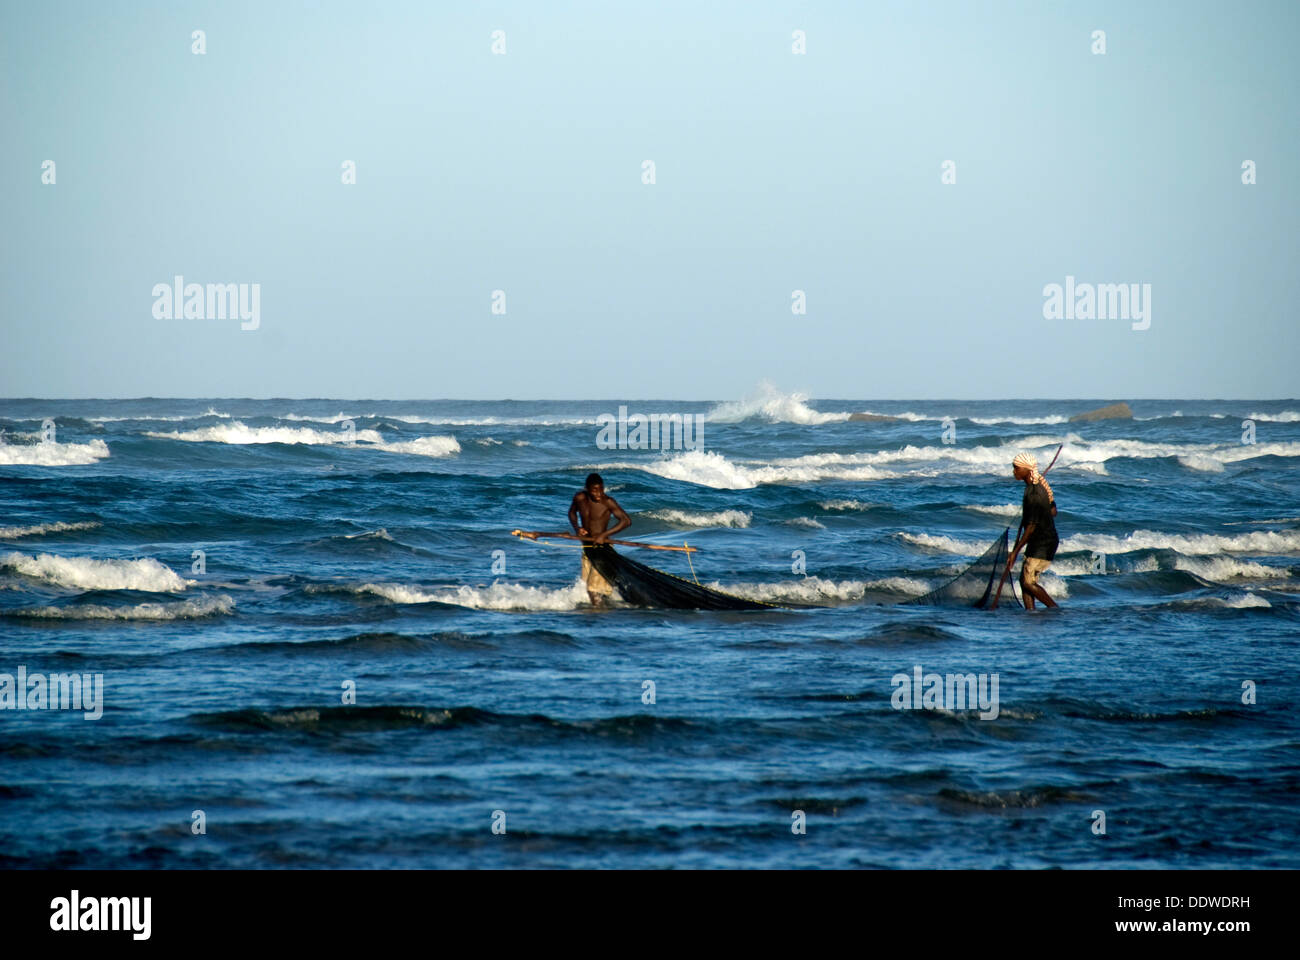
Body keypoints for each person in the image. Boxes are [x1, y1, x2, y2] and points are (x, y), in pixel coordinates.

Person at [1003, 452, 1059, 609]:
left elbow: (1031, 526)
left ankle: (1055, 609)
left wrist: (1015, 552)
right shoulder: (1035, 488)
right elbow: (1053, 512)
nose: (1014, 471)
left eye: (1016, 468)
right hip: (1042, 541)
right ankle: (1031, 614)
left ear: (1027, 470)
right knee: (1024, 582)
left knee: (1028, 583)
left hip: (1043, 542)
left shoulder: (1034, 493)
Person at [569, 472, 631, 605]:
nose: (598, 494)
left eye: (601, 490)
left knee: (593, 589)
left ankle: (598, 617)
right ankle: (605, 613)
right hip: (587, 548)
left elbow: (626, 521)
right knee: (587, 587)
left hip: (603, 550)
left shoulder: (608, 502)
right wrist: (577, 528)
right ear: (587, 489)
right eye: (594, 491)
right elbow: (572, 513)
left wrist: (603, 535)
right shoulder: (579, 498)